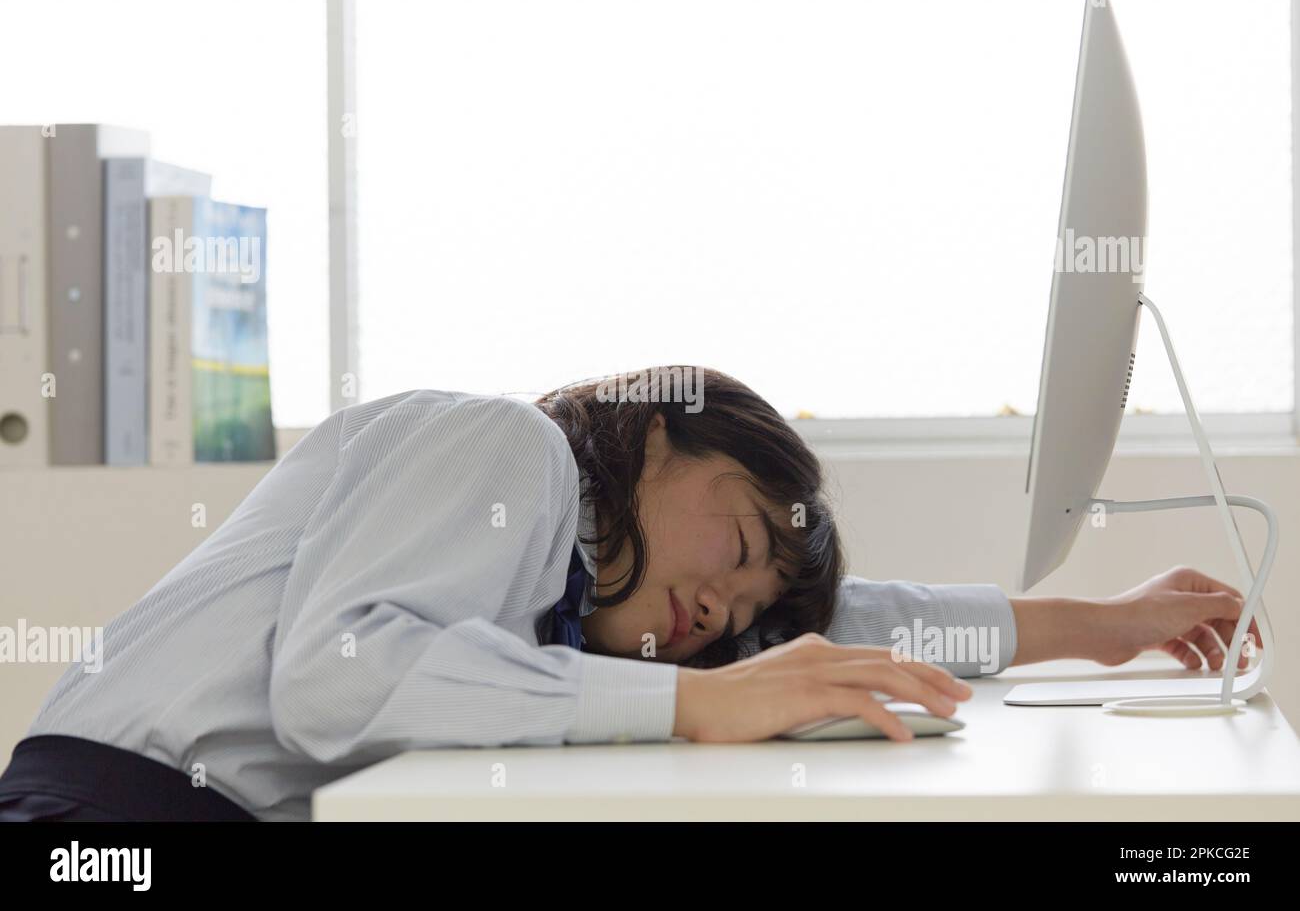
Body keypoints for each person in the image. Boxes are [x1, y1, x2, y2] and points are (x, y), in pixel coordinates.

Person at [0, 368, 1259, 821]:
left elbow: (842, 624)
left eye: (749, 599)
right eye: (743, 539)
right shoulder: (506, 447)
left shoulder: (562, 600)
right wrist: (696, 709)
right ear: (658, 437)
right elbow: (337, 677)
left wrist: (1103, 623)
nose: (721, 607)